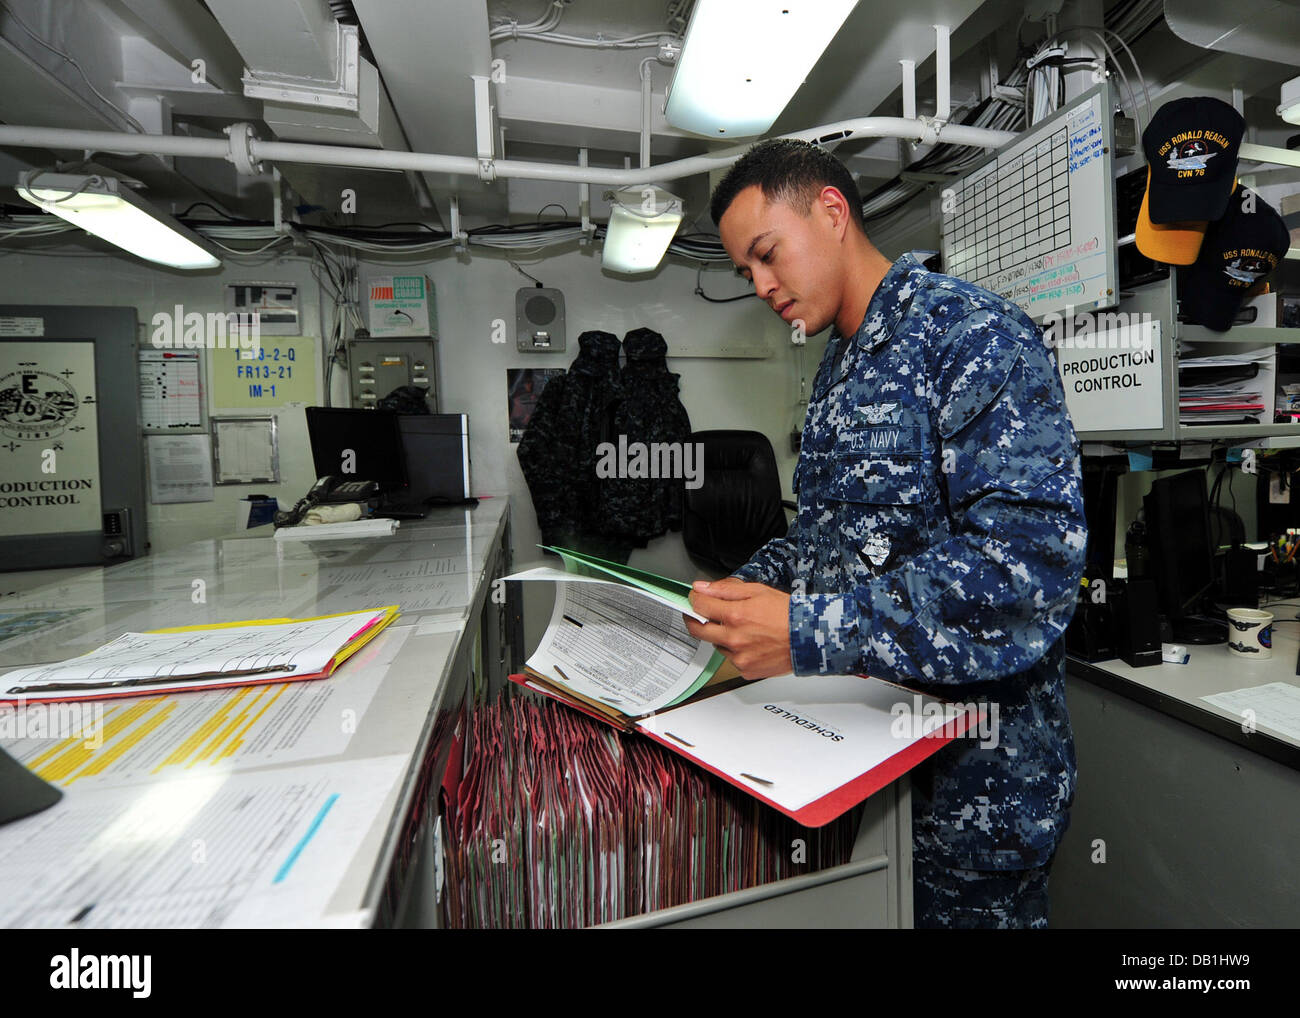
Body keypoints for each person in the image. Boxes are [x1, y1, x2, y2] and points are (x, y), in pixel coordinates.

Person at [685, 138, 1087, 929]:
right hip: (864, 772)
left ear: (832, 213)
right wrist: (743, 592)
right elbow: (830, 538)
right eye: (746, 272)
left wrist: (806, 633)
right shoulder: (839, 362)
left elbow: (1024, 576)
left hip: (975, 797)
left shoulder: (973, 336)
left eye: (767, 255)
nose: (762, 286)